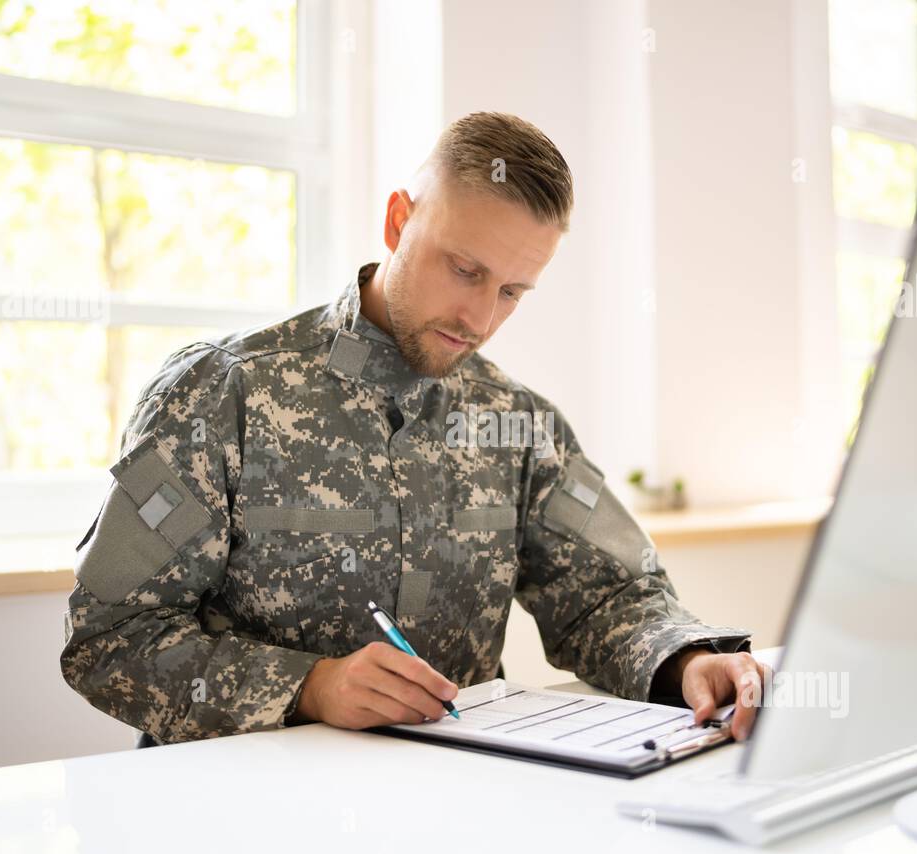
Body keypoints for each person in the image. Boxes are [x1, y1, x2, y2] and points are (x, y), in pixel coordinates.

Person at [62, 111, 768, 746]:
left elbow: (608, 598)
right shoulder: (223, 392)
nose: (481, 318)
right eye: (465, 270)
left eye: (513, 292)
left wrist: (687, 660)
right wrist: (308, 687)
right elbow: (109, 638)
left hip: (454, 817)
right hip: (247, 821)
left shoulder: (518, 423)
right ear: (399, 222)